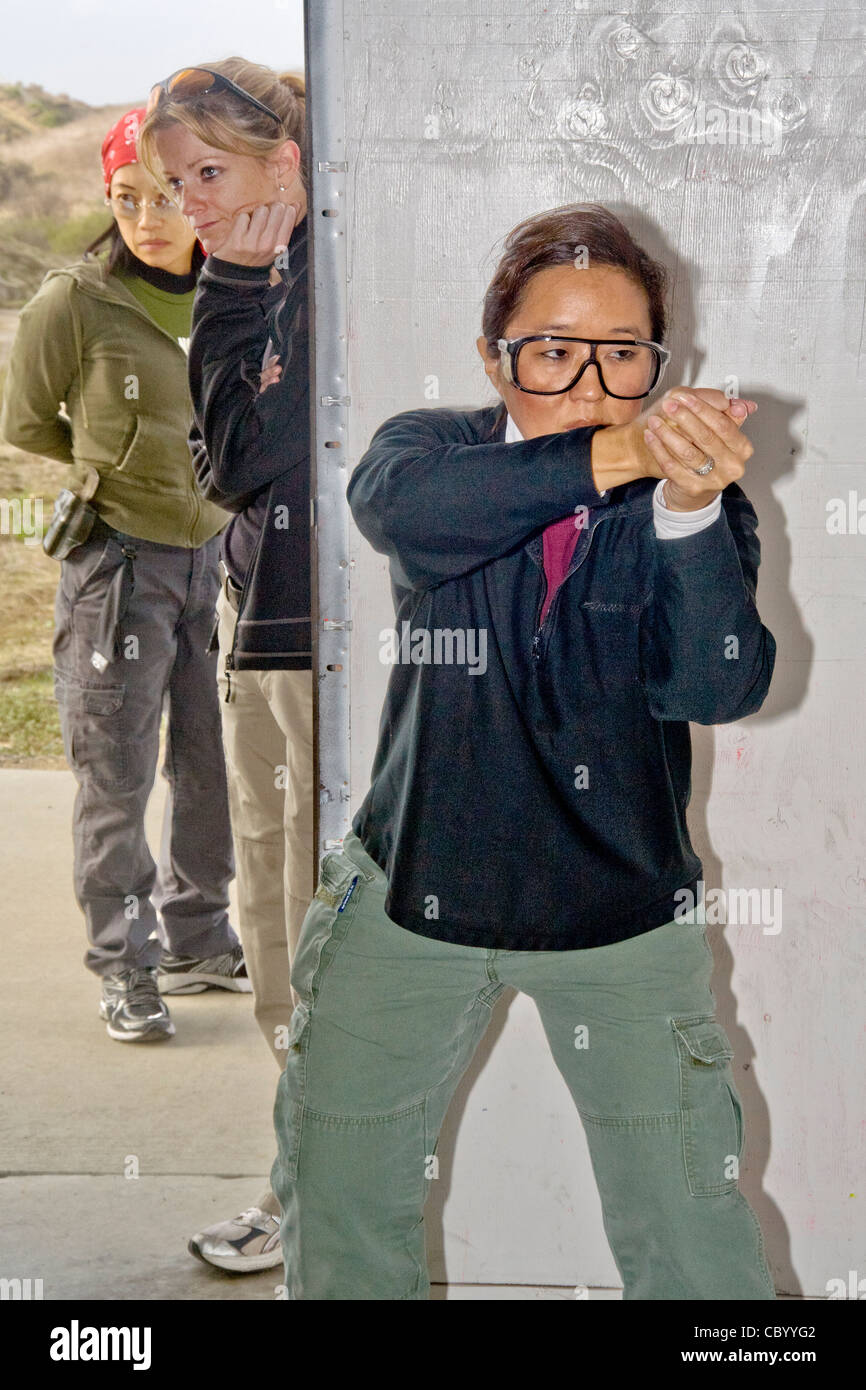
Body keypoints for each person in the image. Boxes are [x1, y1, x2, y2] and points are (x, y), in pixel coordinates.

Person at [270, 203, 779, 1300]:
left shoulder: (688, 498)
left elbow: (715, 684)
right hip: (412, 897)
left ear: (659, 361)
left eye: (621, 356)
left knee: (695, 1248)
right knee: (342, 1227)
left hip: (623, 917)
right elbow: (403, 514)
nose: (589, 384)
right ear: (491, 356)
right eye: (550, 351)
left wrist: (687, 511)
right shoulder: (429, 454)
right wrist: (624, 452)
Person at [0, 109, 248, 1043]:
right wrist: (107, 468)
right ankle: (125, 963)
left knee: (205, 766)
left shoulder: (236, 291)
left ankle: (196, 938)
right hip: (118, 567)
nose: (150, 215)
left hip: (211, 559)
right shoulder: (76, 299)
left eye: (172, 193)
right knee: (116, 774)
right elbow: (26, 425)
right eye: (127, 196)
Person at [139, 60, 313, 1271]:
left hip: (322, 655)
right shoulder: (256, 280)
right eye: (174, 182)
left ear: (284, 161)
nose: (191, 203)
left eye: (210, 173)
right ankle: (298, 1181)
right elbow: (224, 466)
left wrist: (238, 284)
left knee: (313, 932)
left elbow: (237, 460)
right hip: (256, 636)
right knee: (265, 922)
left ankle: (326, 1198)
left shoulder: (305, 281)